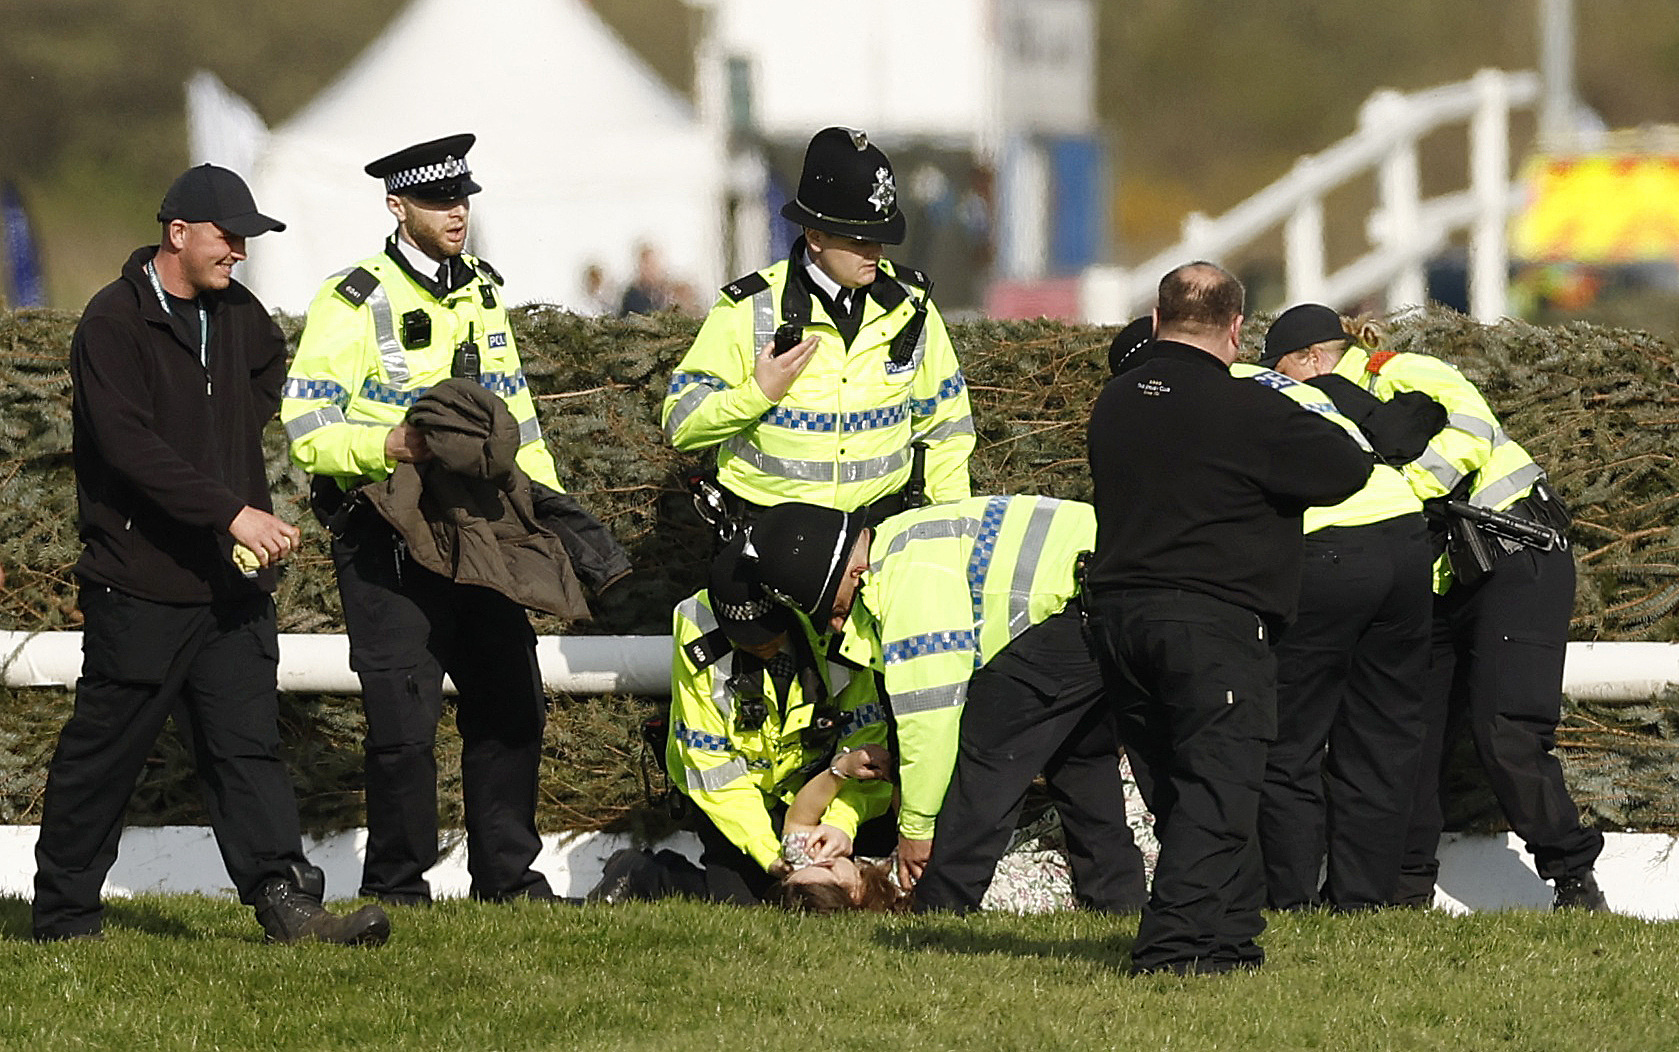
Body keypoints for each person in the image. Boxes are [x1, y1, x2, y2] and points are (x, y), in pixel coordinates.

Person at [32, 164, 390, 945]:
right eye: (231, 239)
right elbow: (128, 450)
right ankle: (63, 918)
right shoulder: (111, 322)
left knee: (247, 750)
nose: (241, 254)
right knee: (105, 757)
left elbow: (267, 373)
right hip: (140, 585)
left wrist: (228, 445)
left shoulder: (239, 315)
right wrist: (231, 507)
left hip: (229, 592)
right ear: (179, 233)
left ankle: (286, 906)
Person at [281, 134, 566, 905]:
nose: (457, 214)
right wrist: (389, 445)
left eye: (462, 199)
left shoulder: (480, 289)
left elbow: (518, 417)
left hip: (480, 530)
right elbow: (306, 425)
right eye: (439, 202)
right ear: (396, 206)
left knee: (511, 703)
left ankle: (508, 881)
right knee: (402, 727)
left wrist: (546, 507)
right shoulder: (353, 296)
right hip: (386, 533)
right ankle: (398, 889)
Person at [1262, 303, 1606, 911]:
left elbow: (1471, 436)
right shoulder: (1326, 400)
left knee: (1508, 732)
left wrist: (1397, 484)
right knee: (1409, 740)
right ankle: (1404, 888)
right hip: (1445, 577)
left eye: (1283, 369)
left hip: (1513, 558)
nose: (1282, 385)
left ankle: (1574, 878)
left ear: (1313, 358)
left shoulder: (1401, 370)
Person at [1086, 262, 1373, 975]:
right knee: (1220, 789)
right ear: (1238, 330)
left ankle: (1229, 939)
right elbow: (1346, 468)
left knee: (1182, 794)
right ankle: (1169, 948)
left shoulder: (1116, 400)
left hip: (1118, 621)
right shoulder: (1247, 408)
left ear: (1155, 319)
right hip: (1210, 624)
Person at [744, 496, 1149, 916]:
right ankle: (1117, 899)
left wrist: (917, 832)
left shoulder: (907, 584)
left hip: (1089, 593)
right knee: (1079, 753)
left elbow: (931, 719)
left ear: (855, 572)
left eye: (835, 606)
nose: (834, 623)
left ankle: (941, 909)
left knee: (991, 737)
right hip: (1119, 581)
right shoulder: (905, 542)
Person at [662, 126, 974, 528]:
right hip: (770, 541)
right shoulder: (747, 308)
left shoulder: (914, 308)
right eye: (861, 240)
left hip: (878, 542)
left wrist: (946, 531)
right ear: (815, 236)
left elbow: (947, 429)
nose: (876, 253)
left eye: (882, 238)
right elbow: (680, 423)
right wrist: (757, 394)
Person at [1234, 324, 1436, 912]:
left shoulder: (1223, 392)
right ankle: (1362, 901)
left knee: (1289, 740)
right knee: (1382, 736)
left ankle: (1289, 901)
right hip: (1403, 539)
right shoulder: (1315, 389)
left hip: (1329, 550)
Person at [586, 536, 892, 905]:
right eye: (746, 640)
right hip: (741, 800)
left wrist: (842, 822)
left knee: (852, 895)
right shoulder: (698, 628)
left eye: (768, 637)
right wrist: (769, 855)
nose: (761, 647)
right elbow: (712, 767)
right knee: (745, 901)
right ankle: (645, 874)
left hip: (828, 789)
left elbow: (869, 741)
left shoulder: (830, 616)